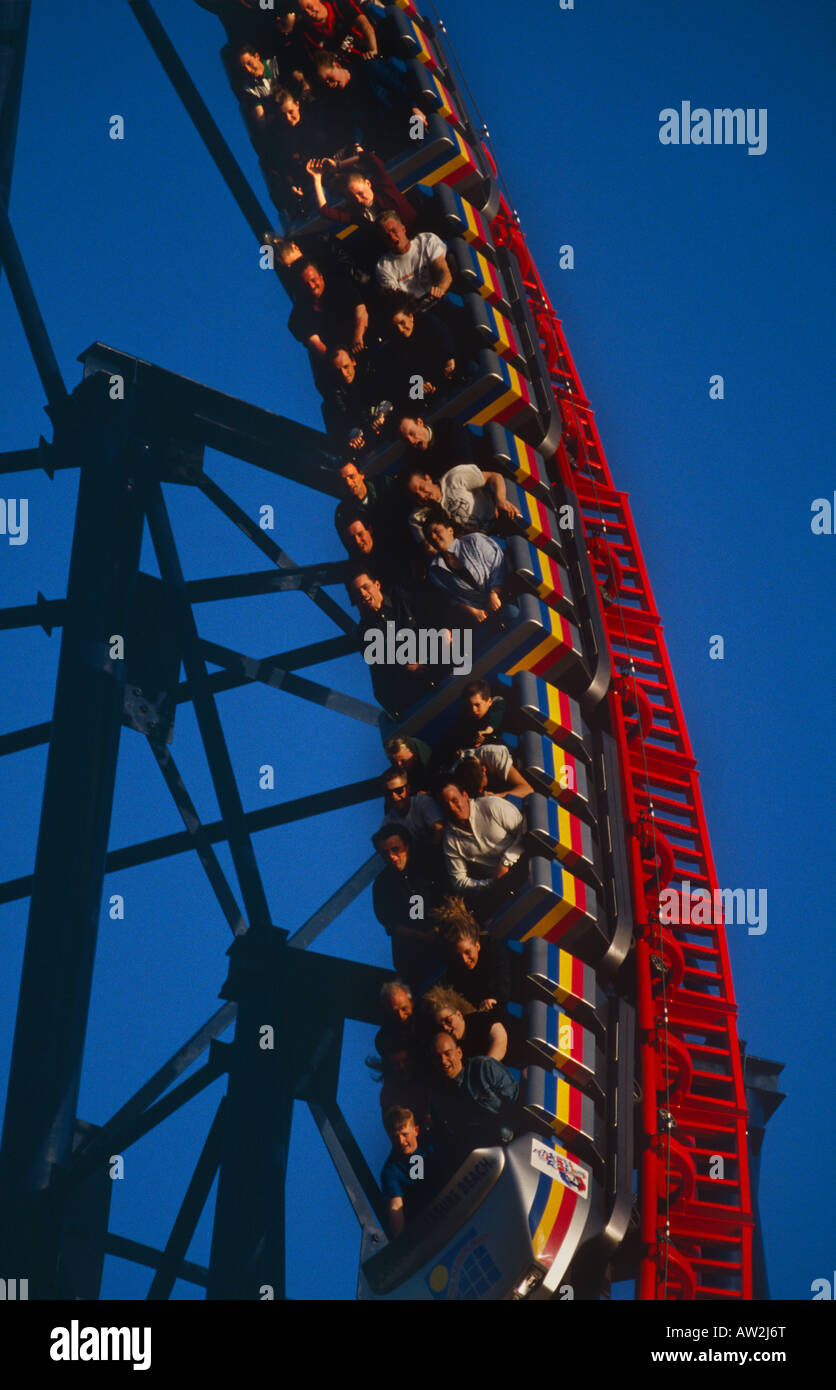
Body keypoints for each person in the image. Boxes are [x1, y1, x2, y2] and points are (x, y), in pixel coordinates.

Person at [348, 567, 453, 717]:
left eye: (365, 587)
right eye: (357, 593)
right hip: (413, 684)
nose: (363, 594)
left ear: (377, 585)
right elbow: (381, 668)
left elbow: (433, 608)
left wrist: (445, 629)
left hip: (439, 656)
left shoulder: (401, 596)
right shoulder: (364, 632)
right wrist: (405, 666)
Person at [438, 772, 528, 916]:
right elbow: (459, 881)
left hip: (525, 860)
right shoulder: (450, 840)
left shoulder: (492, 805)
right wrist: (491, 882)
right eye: (445, 805)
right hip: (498, 887)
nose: (452, 808)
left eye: (454, 800)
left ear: (465, 795)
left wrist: (506, 862)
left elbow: (525, 831)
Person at [428, 1033, 518, 1162]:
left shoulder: (484, 1067)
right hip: (484, 1162)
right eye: (437, 1057)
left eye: (447, 1053)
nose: (443, 1061)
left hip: (515, 1140)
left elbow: (517, 1102)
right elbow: (452, 1143)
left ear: (459, 1053)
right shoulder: (438, 1101)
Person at [372, 828, 444, 983]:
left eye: (395, 849)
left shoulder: (429, 866)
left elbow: (450, 897)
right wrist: (421, 936)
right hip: (412, 959)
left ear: (407, 845)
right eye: (384, 853)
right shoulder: (382, 884)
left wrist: (439, 929)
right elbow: (388, 922)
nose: (391, 857)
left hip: (447, 942)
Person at [288, 261, 370, 381]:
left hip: (361, 343)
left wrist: (358, 335)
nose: (311, 286)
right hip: (335, 363)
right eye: (306, 284)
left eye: (313, 280)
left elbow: (361, 311)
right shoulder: (298, 317)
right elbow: (315, 344)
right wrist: (340, 360)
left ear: (321, 277)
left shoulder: (341, 287)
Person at [404, 459, 519, 542]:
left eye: (421, 488)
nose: (421, 495)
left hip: (500, 518)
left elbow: (494, 477)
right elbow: (427, 547)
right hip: (481, 544)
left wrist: (500, 500)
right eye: (416, 496)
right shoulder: (419, 516)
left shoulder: (453, 478)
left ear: (428, 479)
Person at [422, 511, 505, 624]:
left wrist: (494, 594)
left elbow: (498, 563)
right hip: (482, 615)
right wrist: (474, 612)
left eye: (436, 531)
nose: (433, 537)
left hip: (505, 595)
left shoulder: (474, 540)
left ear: (450, 530)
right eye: (429, 536)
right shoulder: (435, 571)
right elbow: (452, 598)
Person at [432, 898, 512, 1011]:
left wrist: (494, 998)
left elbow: (503, 980)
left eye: (467, 952)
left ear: (477, 946)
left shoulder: (495, 950)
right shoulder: (453, 970)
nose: (464, 960)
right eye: (458, 956)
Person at [381, 295, 457, 408]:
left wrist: (450, 359)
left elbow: (445, 338)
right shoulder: (395, 346)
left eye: (402, 323)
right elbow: (405, 373)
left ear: (411, 317)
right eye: (395, 327)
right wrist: (420, 385)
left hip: (450, 368)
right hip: (430, 387)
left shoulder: (428, 321)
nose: (400, 330)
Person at [380, 1107, 441, 1237]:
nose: (401, 1141)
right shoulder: (390, 1171)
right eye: (395, 1137)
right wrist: (402, 1242)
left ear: (416, 1130)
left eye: (405, 1134)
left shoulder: (433, 1142)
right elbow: (396, 1205)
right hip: (430, 1224)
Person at [321, 346, 392, 449]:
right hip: (368, 445)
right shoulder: (332, 401)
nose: (344, 374)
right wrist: (354, 436)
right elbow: (341, 428)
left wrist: (382, 414)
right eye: (338, 371)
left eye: (346, 367)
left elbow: (391, 394)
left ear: (353, 361)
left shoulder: (373, 374)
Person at [376, 214, 452, 303]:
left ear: (403, 229)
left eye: (394, 231)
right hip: (415, 311)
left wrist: (440, 289)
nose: (392, 237)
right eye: (387, 236)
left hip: (442, 298)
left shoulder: (426, 241)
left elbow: (443, 272)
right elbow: (397, 301)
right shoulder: (383, 266)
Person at [422, 984, 508, 1061]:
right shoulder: (450, 1044)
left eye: (448, 1021)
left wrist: (487, 1066)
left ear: (459, 1014)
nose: (445, 1028)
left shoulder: (479, 1019)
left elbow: (499, 1038)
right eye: (440, 1026)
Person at [380, 767, 444, 854]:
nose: (394, 797)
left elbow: (440, 828)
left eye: (399, 791)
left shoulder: (422, 801)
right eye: (388, 794)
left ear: (408, 789)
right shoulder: (387, 822)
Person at [294, 0, 379, 61]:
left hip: (373, 44)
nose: (309, 13)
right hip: (354, 66)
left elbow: (365, 25)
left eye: (309, 7)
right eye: (304, 12)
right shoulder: (307, 33)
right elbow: (322, 62)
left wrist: (373, 50)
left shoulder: (339, 3)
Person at [337, 509, 397, 584]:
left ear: (369, 530)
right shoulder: (356, 567)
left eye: (360, 534)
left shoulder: (393, 546)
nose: (357, 541)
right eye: (352, 538)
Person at [454, 747, 533, 801]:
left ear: (483, 769)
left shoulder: (495, 756)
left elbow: (528, 789)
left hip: (513, 770)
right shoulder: (456, 775)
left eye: (482, 787)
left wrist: (496, 796)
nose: (482, 791)